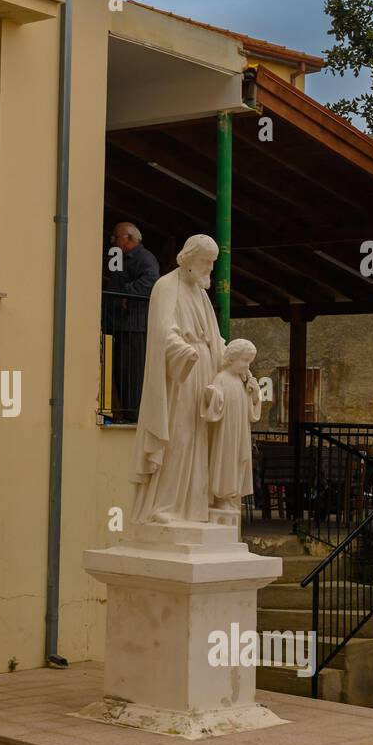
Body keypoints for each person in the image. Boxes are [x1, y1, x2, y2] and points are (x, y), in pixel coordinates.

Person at [128, 234, 225, 526]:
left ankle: (193, 507)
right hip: (179, 376)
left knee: (199, 439)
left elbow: (212, 335)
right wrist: (183, 351)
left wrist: (230, 359)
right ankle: (164, 505)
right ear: (190, 258)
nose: (210, 268)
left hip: (203, 372)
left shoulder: (200, 293)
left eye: (212, 263)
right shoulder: (166, 287)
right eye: (206, 262)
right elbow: (162, 332)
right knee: (178, 437)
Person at [105, 222, 159, 422]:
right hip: (120, 324)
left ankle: (134, 416)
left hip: (134, 326)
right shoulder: (119, 259)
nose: (112, 241)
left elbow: (151, 281)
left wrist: (126, 294)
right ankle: (127, 413)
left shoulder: (145, 258)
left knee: (132, 373)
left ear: (128, 239)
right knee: (120, 371)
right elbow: (113, 282)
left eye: (115, 237)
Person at [202, 339, 262, 516]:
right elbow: (214, 401)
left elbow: (251, 413)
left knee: (237, 460)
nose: (247, 365)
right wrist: (213, 395)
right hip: (227, 431)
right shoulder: (222, 378)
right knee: (226, 460)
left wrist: (255, 394)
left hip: (240, 430)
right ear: (232, 358)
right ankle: (221, 497)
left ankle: (229, 497)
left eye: (249, 362)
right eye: (244, 361)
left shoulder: (241, 382)